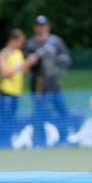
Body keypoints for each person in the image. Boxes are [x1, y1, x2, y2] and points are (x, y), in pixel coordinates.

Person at [22, 15, 73, 145]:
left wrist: (55, 61)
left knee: (61, 109)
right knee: (40, 111)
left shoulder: (56, 42)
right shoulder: (31, 44)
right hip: (38, 82)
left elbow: (66, 59)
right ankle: (40, 141)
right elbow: (25, 62)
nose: (41, 28)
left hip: (54, 81)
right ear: (34, 28)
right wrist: (35, 58)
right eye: (38, 26)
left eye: (43, 26)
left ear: (48, 27)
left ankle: (64, 138)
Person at [0, 28, 35, 120]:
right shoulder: (3, 54)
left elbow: (22, 73)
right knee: (5, 119)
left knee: (12, 119)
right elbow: (4, 73)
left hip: (16, 92)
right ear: (12, 40)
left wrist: (28, 64)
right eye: (20, 41)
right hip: (5, 92)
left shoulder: (19, 53)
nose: (22, 44)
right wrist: (21, 66)